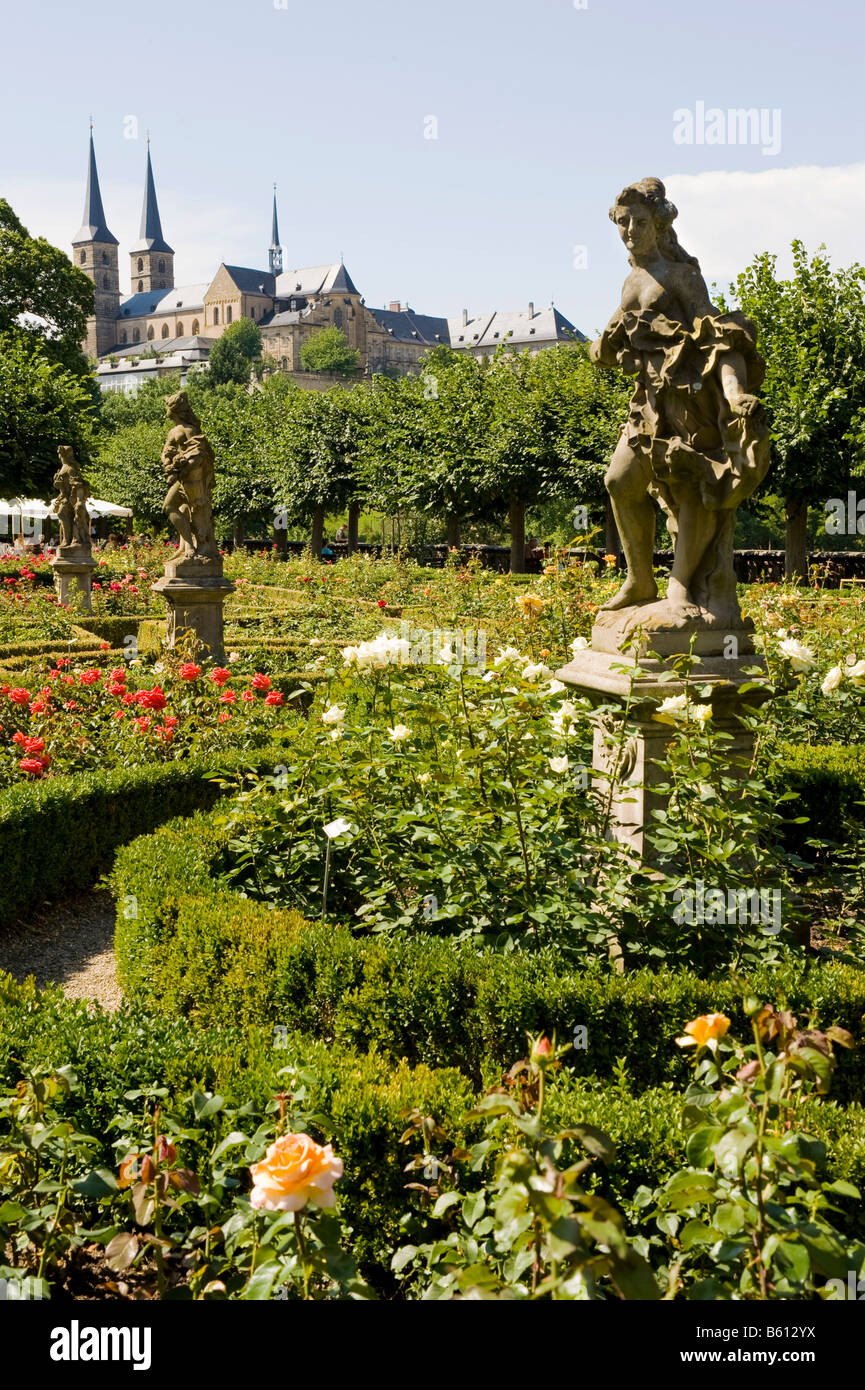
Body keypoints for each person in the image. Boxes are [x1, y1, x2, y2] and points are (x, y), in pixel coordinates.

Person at [590, 177, 770, 625]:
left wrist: (733, 393)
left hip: (687, 400)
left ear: (659, 224)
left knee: (695, 490)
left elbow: (718, 339)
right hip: (646, 404)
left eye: (640, 221)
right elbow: (603, 353)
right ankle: (639, 580)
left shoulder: (681, 276)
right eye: (623, 221)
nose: (630, 230)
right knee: (619, 482)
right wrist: (604, 346)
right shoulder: (633, 280)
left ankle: (681, 584)